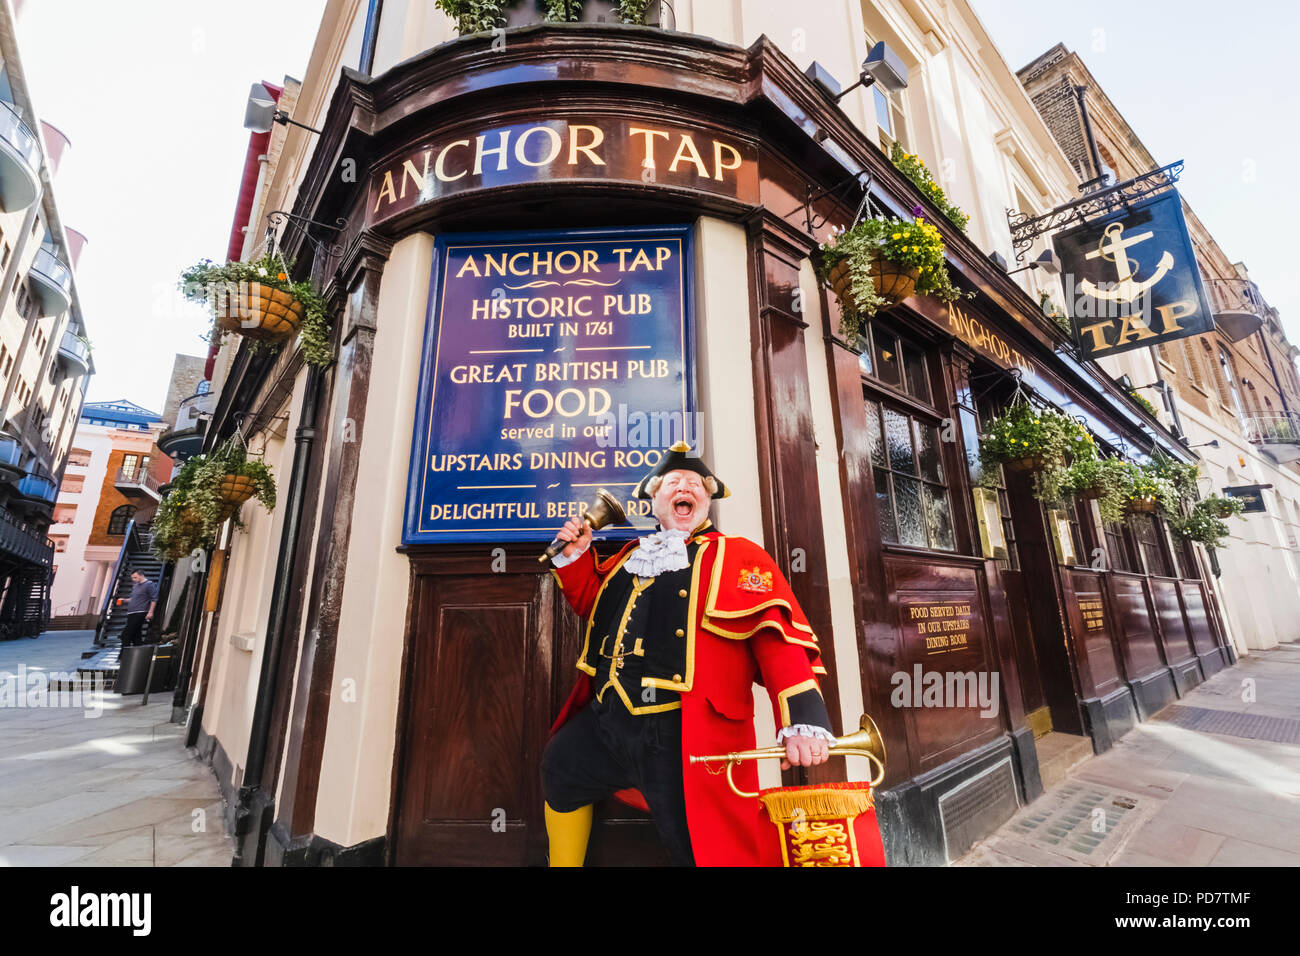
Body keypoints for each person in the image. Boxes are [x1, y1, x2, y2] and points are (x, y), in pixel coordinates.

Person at [541, 441, 834, 866]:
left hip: (683, 734)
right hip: (608, 720)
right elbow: (593, 604)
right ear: (655, 501)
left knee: (699, 844)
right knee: (560, 768)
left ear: (708, 501)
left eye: (697, 484)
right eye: (674, 483)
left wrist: (803, 719)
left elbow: (776, 637)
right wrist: (576, 558)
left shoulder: (737, 555)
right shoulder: (631, 556)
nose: (687, 488)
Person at [118, 571, 157, 647]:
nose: (133, 579)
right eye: (132, 577)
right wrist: (124, 600)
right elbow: (133, 599)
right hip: (131, 613)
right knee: (136, 635)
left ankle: (123, 656)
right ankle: (137, 655)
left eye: (135, 577)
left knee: (126, 635)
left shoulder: (149, 584)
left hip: (141, 612)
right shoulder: (135, 586)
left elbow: (154, 599)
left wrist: (150, 612)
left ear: (141, 575)